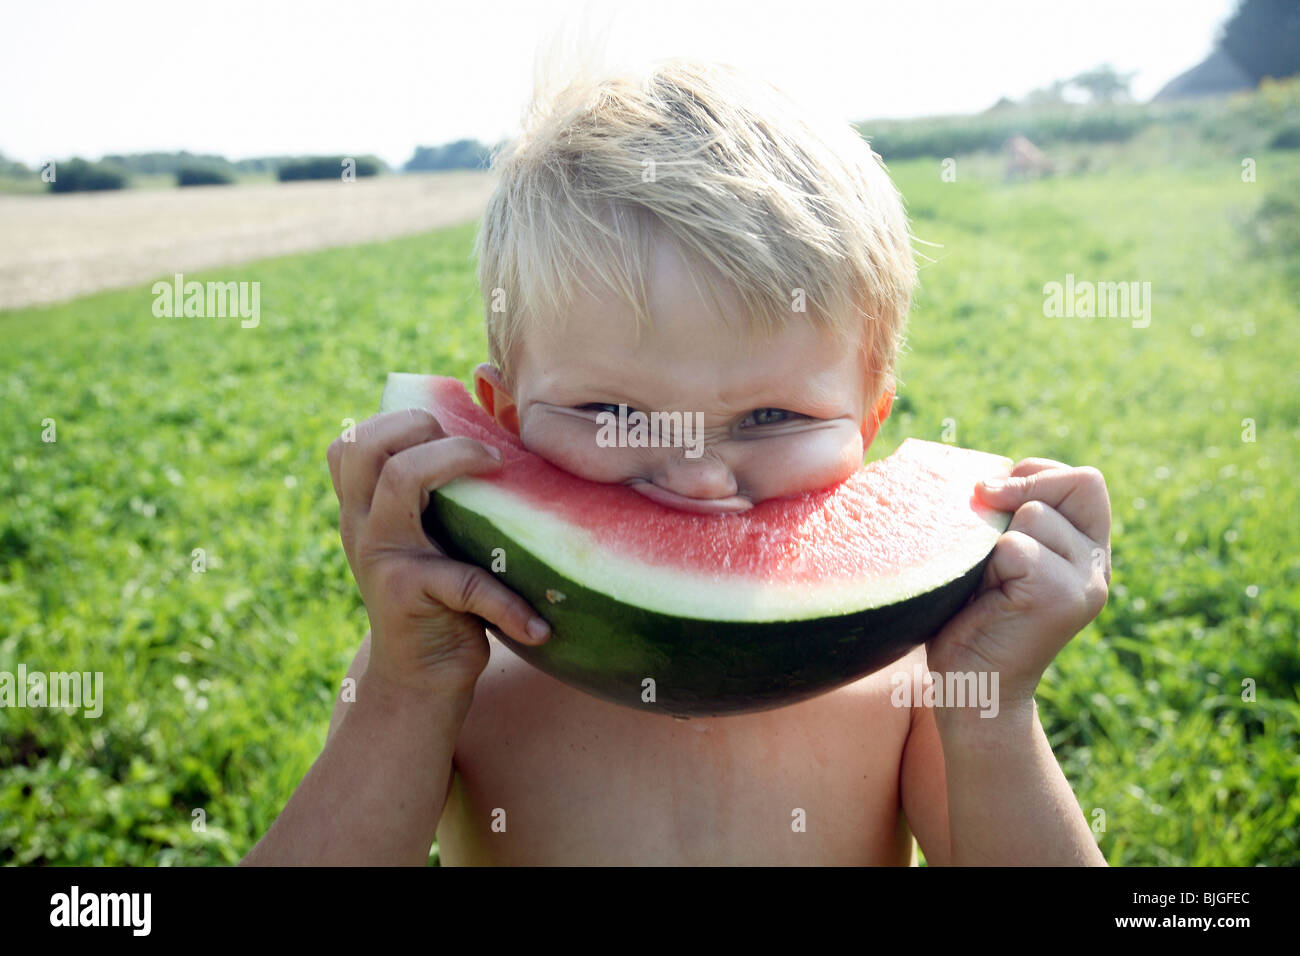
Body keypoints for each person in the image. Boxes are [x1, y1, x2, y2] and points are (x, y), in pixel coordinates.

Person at [243, 57, 1111, 866]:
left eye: (773, 415)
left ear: (871, 423)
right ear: (501, 420)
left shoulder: (907, 669)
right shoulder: (448, 661)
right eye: (612, 411)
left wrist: (993, 707)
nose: (697, 475)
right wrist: (408, 689)